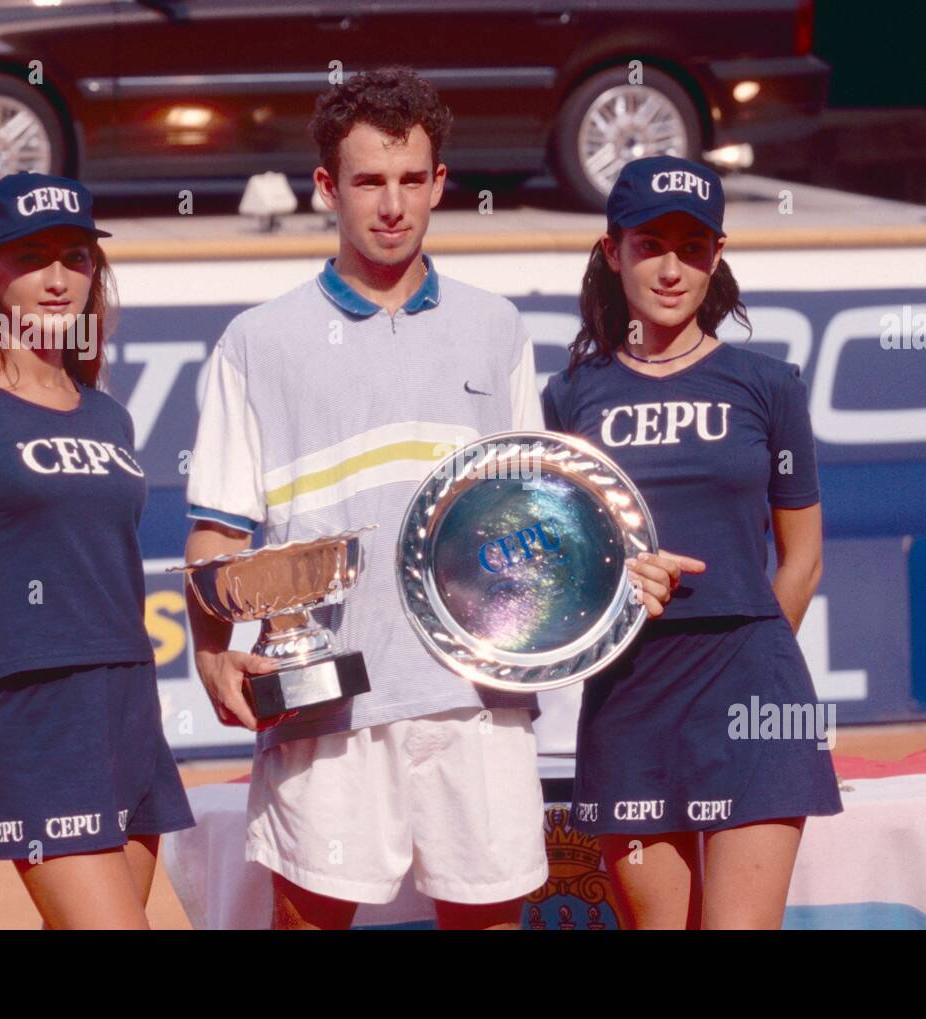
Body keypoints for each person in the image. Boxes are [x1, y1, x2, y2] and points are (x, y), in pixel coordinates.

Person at [184, 67, 602, 930]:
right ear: (327, 187)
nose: (392, 205)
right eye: (369, 181)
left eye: (413, 180)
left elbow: (534, 513)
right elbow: (219, 528)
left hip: (476, 698)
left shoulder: (497, 328)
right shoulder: (258, 341)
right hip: (327, 696)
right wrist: (212, 652)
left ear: (441, 183)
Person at [541, 155, 844, 930]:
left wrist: (757, 652)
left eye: (695, 245)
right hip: (629, 695)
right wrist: (610, 589)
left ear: (718, 253)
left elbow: (802, 556)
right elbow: (553, 570)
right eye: (650, 243)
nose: (673, 268)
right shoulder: (570, 397)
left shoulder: (769, 385)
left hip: (754, 687)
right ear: (613, 252)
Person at [0, 171, 195, 929]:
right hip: (38, 723)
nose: (58, 280)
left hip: (129, 715)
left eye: (76, 257)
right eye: (31, 258)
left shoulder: (109, 416)